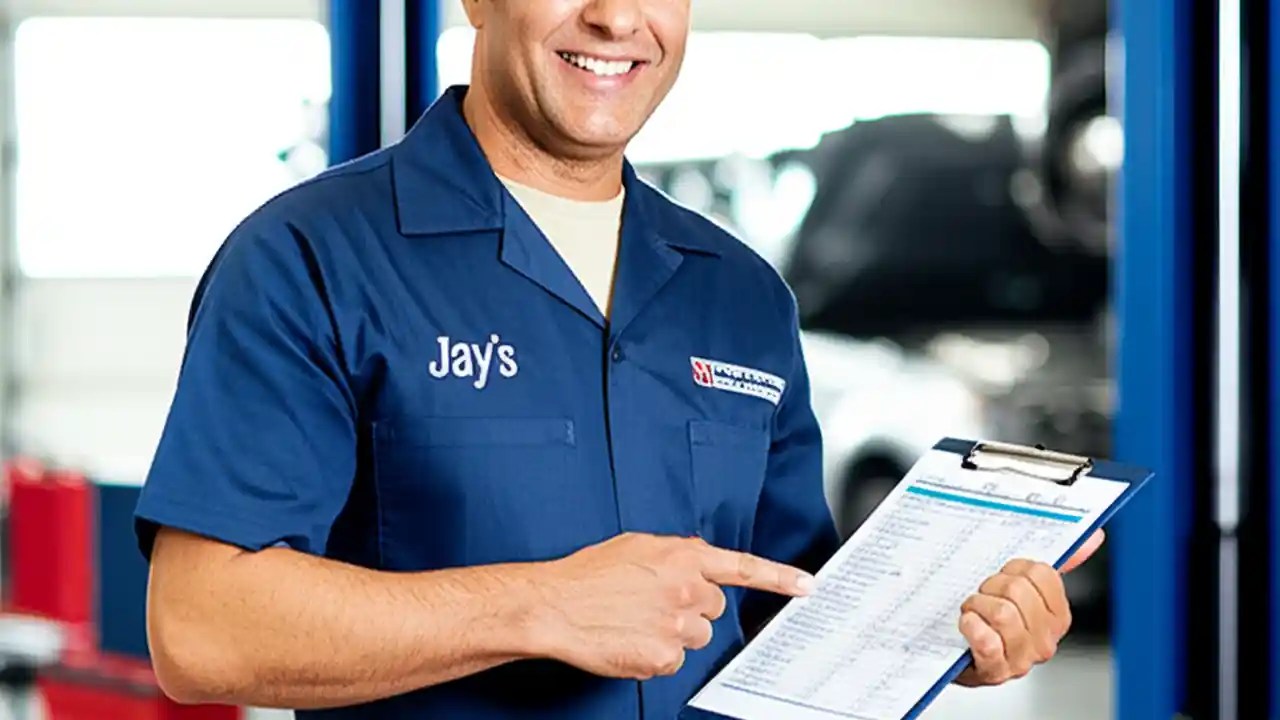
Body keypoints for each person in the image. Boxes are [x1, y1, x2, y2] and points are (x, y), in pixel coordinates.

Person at [135, 0, 1104, 718]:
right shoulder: (312, 256)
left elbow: (787, 616)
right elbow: (203, 627)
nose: (612, 18)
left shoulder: (738, 295)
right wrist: (538, 604)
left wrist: (949, 629)